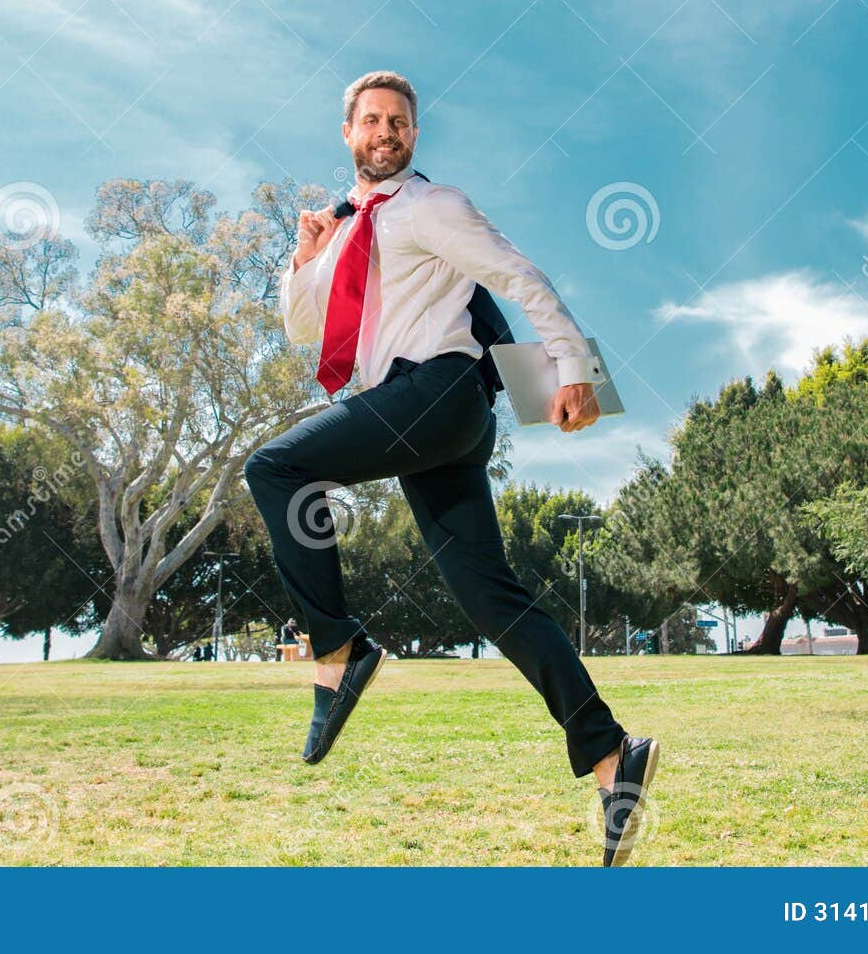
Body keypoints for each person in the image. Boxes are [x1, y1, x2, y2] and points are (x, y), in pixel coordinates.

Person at [243, 70, 658, 866]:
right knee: (490, 599)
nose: (386, 131)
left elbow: (516, 275)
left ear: (414, 134)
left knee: (275, 470)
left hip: (440, 390)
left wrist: (570, 364)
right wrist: (303, 257)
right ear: (349, 134)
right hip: (428, 422)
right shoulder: (344, 228)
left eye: (400, 120)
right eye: (371, 120)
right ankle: (613, 757)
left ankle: (340, 651)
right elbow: (302, 325)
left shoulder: (434, 205)